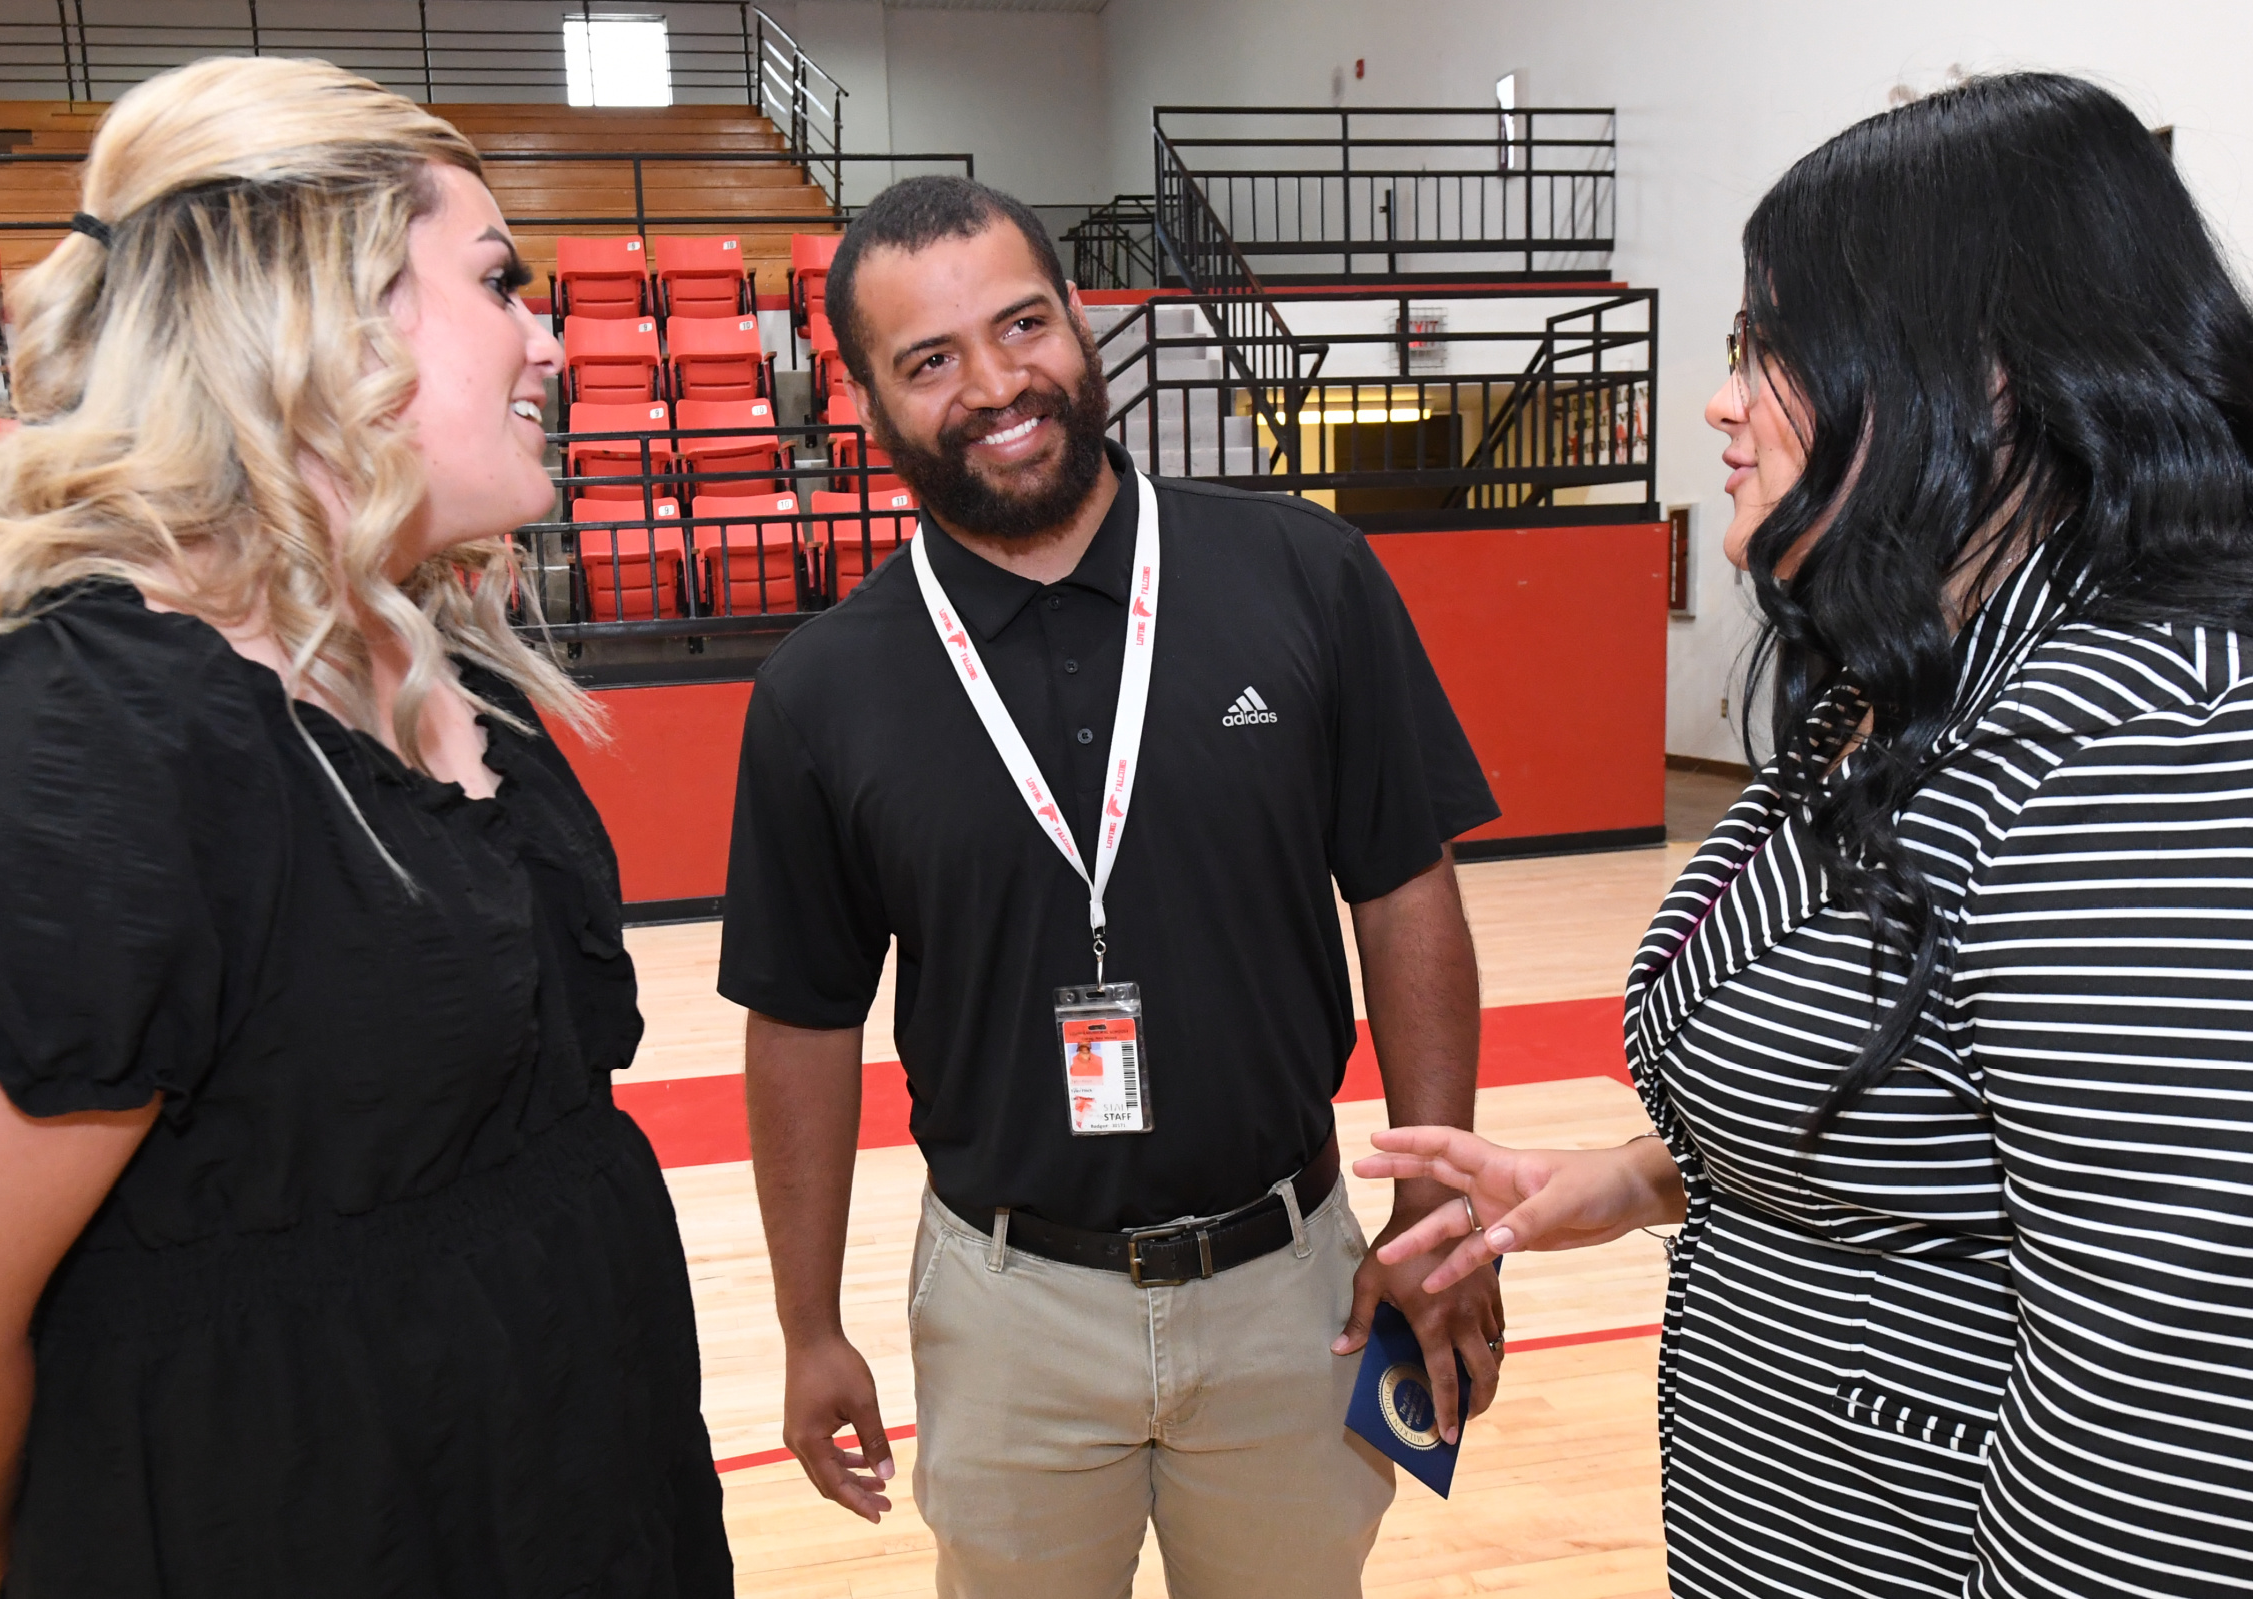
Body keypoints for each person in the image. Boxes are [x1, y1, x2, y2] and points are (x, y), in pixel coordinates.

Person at [1357, 72, 2253, 1599]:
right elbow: (1936, 1132)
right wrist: (1644, 1177)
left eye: (1771, 347)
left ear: (1979, 377)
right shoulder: (1920, 684)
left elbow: (2160, 1422)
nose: (1722, 399)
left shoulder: (2137, 746)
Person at [0, 58, 730, 1599]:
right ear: (322, 312)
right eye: (497, 282)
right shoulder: (74, 725)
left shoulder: (454, 674)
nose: (547, 339)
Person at [717, 174, 1503, 1599]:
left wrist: (1439, 1223)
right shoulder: (820, 691)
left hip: (1292, 1290)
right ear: (875, 406)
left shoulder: (1304, 572)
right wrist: (806, 1323)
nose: (998, 384)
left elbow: (1404, 894)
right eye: (931, 360)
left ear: (1080, 325)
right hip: (1012, 1309)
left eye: (1023, 324)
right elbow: (802, 1022)